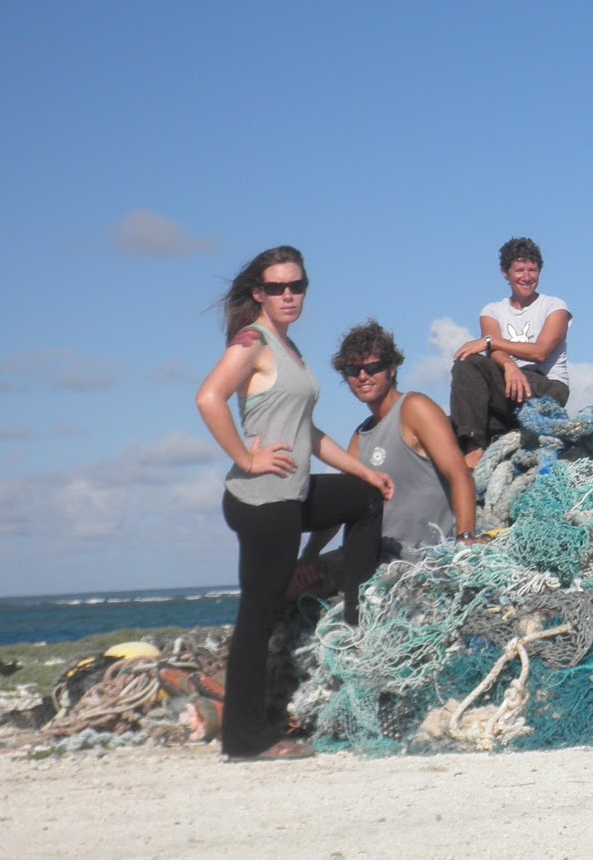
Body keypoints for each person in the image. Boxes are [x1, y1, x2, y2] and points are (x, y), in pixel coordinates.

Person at [195, 245, 394, 761]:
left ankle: (354, 617)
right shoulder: (253, 340)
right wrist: (245, 456)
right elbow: (208, 397)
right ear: (258, 293)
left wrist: (364, 470)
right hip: (264, 501)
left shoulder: (290, 349)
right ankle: (244, 740)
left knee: (364, 498)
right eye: (277, 287)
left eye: (296, 286)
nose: (289, 295)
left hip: (292, 495)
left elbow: (307, 433)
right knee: (257, 617)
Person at [303, 320, 483, 565]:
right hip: (371, 555)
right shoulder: (360, 435)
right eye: (353, 371)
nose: (363, 377)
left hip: (421, 556)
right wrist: (308, 557)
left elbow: (459, 474)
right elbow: (340, 508)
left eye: (373, 367)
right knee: (289, 584)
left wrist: (466, 538)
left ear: (392, 368)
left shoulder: (414, 408)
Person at [451, 237, 571, 469]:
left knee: (477, 360)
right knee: (467, 362)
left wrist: (489, 343)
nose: (526, 277)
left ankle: (474, 454)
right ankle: (472, 449)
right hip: (508, 385)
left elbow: (540, 352)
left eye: (532, 270)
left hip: (546, 387)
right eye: (519, 270)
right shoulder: (492, 311)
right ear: (505, 273)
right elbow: (492, 351)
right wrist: (509, 365)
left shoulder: (555, 307)